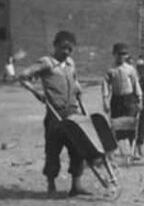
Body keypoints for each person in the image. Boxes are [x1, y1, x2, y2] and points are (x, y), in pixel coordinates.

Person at [18, 30, 90, 197]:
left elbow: (74, 79)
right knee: (53, 149)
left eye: (70, 49)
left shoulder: (71, 63)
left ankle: (76, 186)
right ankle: (51, 186)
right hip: (55, 114)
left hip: (73, 112)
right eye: (63, 48)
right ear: (55, 46)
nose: (66, 52)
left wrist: (77, 89)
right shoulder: (47, 63)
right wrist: (36, 92)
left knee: (77, 148)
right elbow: (23, 76)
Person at [102, 43, 142, 157]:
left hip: (129, 99)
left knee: (131, 123)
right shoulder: (111, 70)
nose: (121, 56)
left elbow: (136, 84)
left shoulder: (130, 69)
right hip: (116, 100)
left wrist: (139, 99)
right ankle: (115, 150)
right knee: (116, 124)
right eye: (119, 54)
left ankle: (134, 150)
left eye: (124, 54)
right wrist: (105, 100)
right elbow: (105, 85)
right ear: (114, 54)